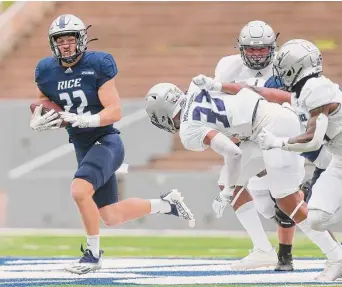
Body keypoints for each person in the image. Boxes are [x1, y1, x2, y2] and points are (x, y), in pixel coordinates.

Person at [30, 14, 195, 275]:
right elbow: (43, 103)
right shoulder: (46, 70)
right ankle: (167, 204)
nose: (65, 46)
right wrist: (39, 119)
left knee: (79, 190)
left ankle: (93, 255)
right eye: (60, 41)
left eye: (70, 40)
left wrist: (85, 120)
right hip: (82, 147)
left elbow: (115, 111)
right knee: (110, 216)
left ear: (81, 39)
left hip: (106, 141)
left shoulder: (98, 64)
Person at [145, 78, 342, 281]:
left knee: (285, 199)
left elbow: (233, 153)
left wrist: (227, 193)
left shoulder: (188, 131)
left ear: (161, 115)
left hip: (272, 127)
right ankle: (262, 249)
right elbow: (241, 89)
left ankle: (336, 256)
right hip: (266, 122)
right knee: (229, 180)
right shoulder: (197, 86)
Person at [214, 20, 299, 271]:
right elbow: (219, 107)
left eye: (262, 49)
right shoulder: (228, 66)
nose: (257, 54)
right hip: (249, 139)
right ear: (241, 48)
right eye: (251, 49)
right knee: (265, 206)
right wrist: (232, 137)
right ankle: (269, 247)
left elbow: (298, 103)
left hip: (282, 136)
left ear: (273, 48)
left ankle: (285, 255)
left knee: (287, 202)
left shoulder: (285, 64)